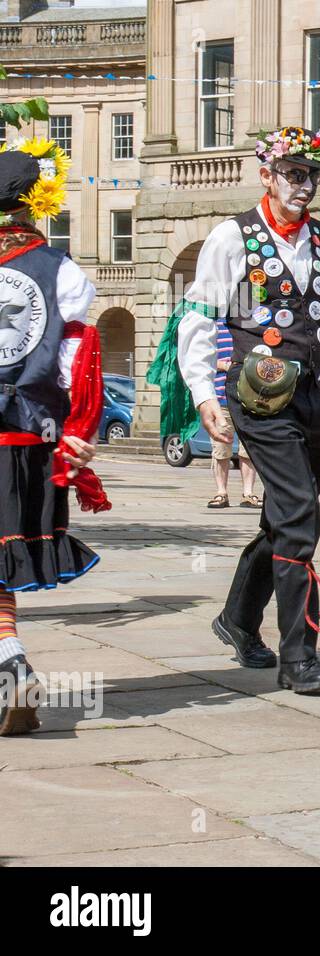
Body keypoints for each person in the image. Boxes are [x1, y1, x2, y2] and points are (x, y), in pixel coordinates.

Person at [149, 126, 320, 695]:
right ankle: (299, 657)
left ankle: (237, 619)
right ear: (266, 176)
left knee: (284, 519)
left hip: (317, 397)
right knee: (301, 517)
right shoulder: (231, 237)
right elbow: (199, 319)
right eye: (294, 174)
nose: (305, 185)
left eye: (313, 175)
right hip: (260, 397)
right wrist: (203, 396)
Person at [0, 144, 105, 735]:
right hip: (28, 436)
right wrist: (75, 435)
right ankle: (8, 664)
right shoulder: (62, 271)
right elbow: (78, 360)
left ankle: (9, 661)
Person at [207, 316, 260, 509]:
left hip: (249, 397)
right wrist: (223, 365)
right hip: (221, 399)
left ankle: (249, 493)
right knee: (221, 449)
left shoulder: (251, 324)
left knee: (248, 449)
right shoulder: (213, 326)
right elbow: (200, 360)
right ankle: (221, 492)